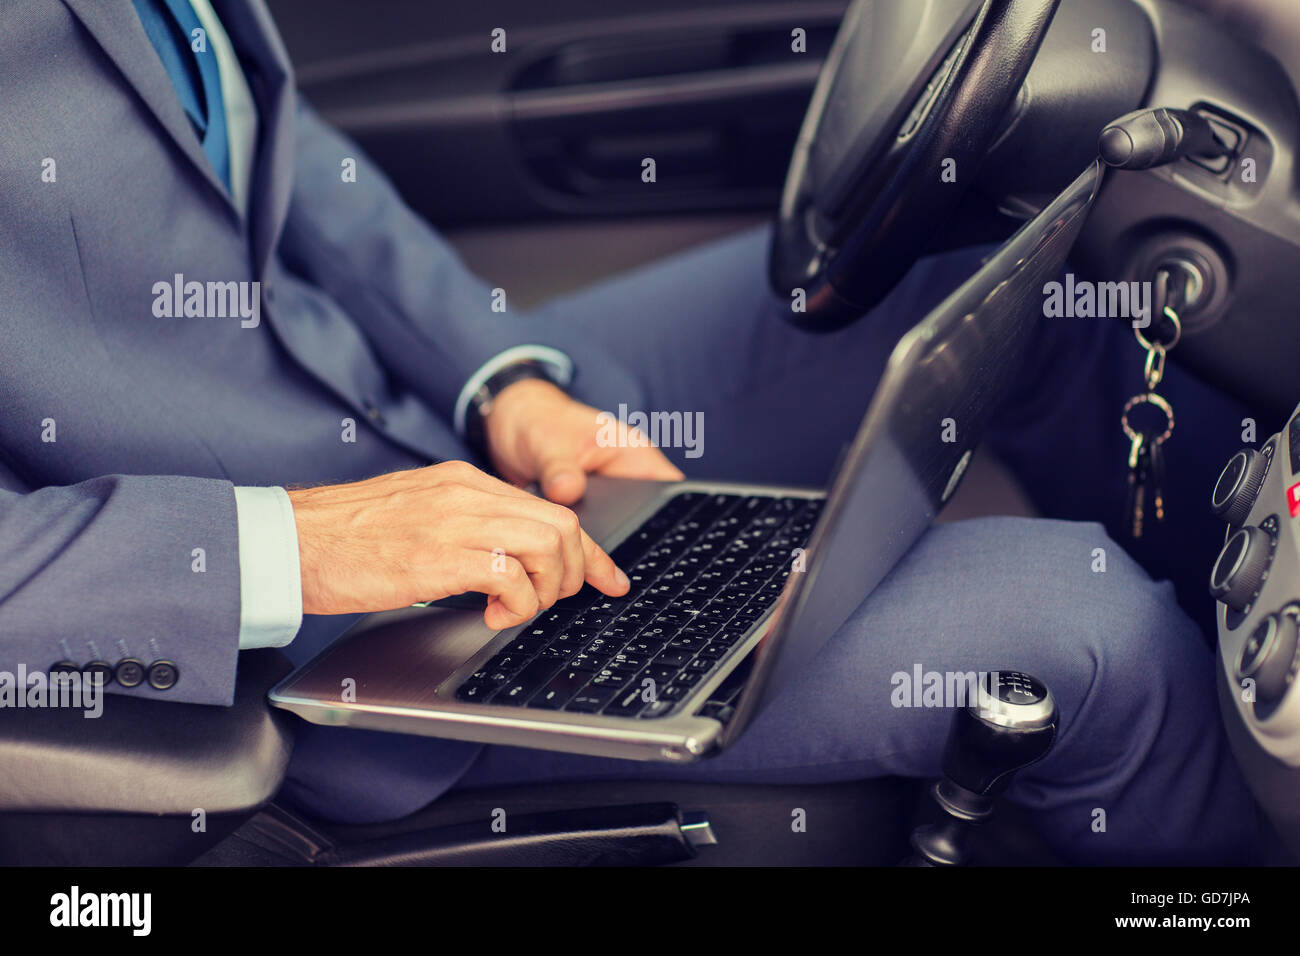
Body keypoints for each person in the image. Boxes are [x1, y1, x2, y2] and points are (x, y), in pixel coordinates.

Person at [0, 0, 1257, 863]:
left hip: (416, 422)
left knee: (1014, 300)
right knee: (1099, 639)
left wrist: (503, 380)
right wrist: (291, 543)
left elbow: (286, 153)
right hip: (276, 650)